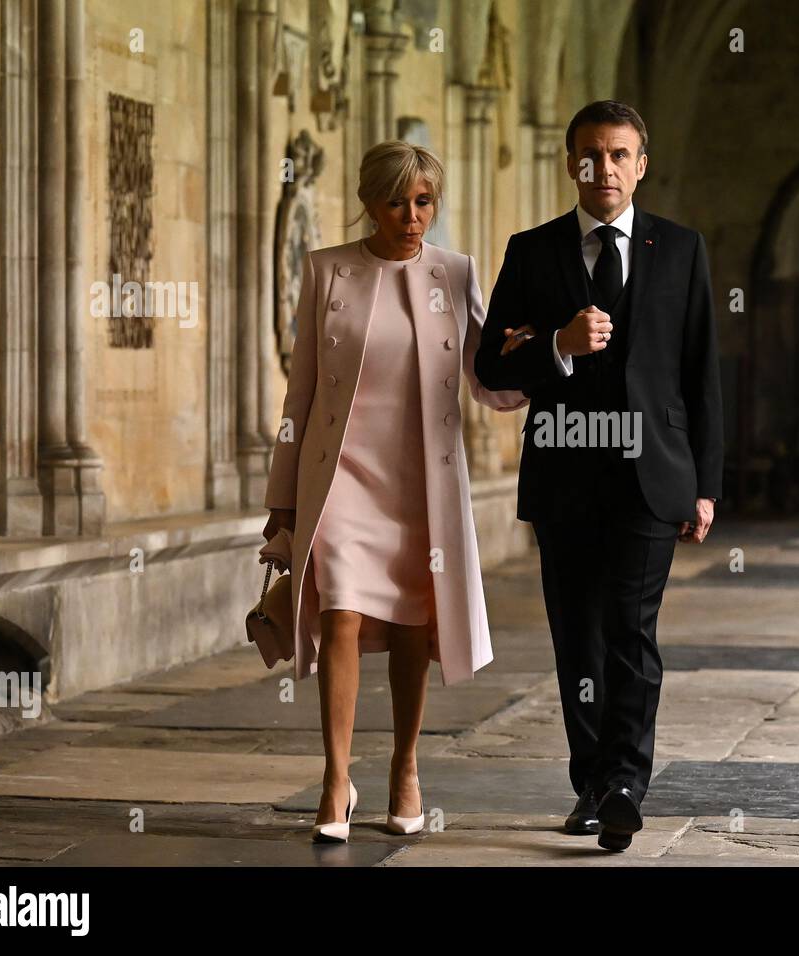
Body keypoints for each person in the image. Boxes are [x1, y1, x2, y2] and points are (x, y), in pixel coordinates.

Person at [260, 142, 528, 844]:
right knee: (341, 612)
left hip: (421, 481)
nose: (412, 217)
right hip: (341, 474)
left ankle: (406, 768)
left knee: (414, 623)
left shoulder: (455, 272)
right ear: (369, 201)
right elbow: (300, 392)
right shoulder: (326, 272)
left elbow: (487, 379)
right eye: (397, 202)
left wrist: (543, 356)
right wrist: (282, 500)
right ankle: (335, 778)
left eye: (424, 202)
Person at [474, 100, 723, 852]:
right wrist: (557, 342)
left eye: (619, 155)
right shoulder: (532, 250)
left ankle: (625, 782)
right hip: (566, 476)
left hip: (652, 477)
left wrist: (706, 484)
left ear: (640, 165)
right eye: (591, 155)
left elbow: (699, 371)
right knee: (575, 636)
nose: (605, 168)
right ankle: (590, 785)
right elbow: (491, 362)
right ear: (571, 163)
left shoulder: (680, 249)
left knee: (630, 632)